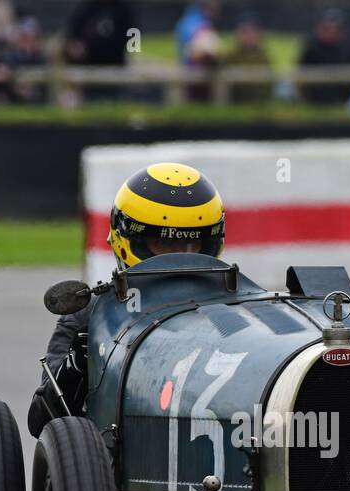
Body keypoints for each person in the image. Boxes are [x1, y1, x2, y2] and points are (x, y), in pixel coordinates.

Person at [28, 163, 226, 435]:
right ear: (129, 240)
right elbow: (40, 423)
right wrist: (76, 364)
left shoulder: (234, 310)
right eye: (165, 246)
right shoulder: (92, 315)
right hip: (113, 457)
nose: (179, 256)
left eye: (192, 246)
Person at [297, 8, 350, 107]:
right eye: (327, 28)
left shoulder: (345, 49)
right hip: (313, 100)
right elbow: (300, 75)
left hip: (338, 101)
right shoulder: (311, 48)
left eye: (335, 29)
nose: (331, 32)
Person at [220, 13, 271, 104]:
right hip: (236, 104)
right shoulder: (231, 57)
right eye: (245, 32)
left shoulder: (265, 58)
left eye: (253, 31)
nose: (249, 35)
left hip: (259, 104)